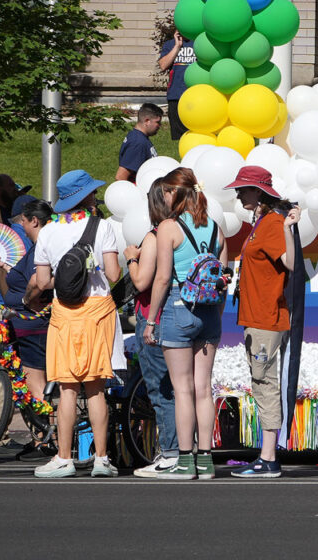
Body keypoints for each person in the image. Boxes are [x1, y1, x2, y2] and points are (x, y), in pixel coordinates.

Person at [28, 170, 122, 479]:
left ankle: (64, 458)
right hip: (98, 310)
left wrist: (66, 279)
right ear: (87, 197)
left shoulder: (48, 232)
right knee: (95, 389)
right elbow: (113, 275)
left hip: (64, 311)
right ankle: (101, 458)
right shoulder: (103, 227)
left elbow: (42, 282)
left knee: (67, 390)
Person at [144, 167, 227, 481]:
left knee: (182, 390)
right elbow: (222, 278)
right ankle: (206, 461)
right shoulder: (217, 229)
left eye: (166, 191)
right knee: (203, 389)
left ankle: (184, 459)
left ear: (176, 193)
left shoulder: (168, 227)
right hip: (208, 310)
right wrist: (215, 317)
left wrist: (151, 321)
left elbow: (163, 277)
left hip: (178, 305)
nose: (164, 197)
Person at [226, 166, 301, 479]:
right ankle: (266, 456)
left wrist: (286, 228)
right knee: (262, 382)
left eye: (243, 189)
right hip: (258, 316)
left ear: (259, 192)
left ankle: (268, 458)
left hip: (266, 319)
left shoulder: (271, 222)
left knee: (264, 383)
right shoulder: (261, 222)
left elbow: (290, 263)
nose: (238, 193)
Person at [125, 179, 180, 478]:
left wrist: (132, 259)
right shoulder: (186, 232)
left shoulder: (154, 236)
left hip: (152, 316)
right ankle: (186, 451)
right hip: (179, 317)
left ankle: (170, 453)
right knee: (181, 389)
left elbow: (142, 281)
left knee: (160, 390)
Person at [0, 198, 54, 406]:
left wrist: (25, 300)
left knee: (36, 383)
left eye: (24, 222)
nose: (23, 228)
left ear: (34, 221)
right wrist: (6, 267)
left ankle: (44, 437)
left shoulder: (41, 248)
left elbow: (38, 280)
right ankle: (46, 435)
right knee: (39, 383)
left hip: (33, 326)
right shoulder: (40, 247)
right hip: (30, 326)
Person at [158, 30, 196, 138]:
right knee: (178, 136)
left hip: (196, 95)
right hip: (176, 95)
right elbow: (163, 65)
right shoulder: (170, 44)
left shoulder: (200, 43)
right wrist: (177, 46)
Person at [117, 103, 164, 182]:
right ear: (147, 121)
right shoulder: (137, 142)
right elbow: (120, 177)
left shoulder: (140, 137)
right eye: (157, 122)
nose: (160, 125)